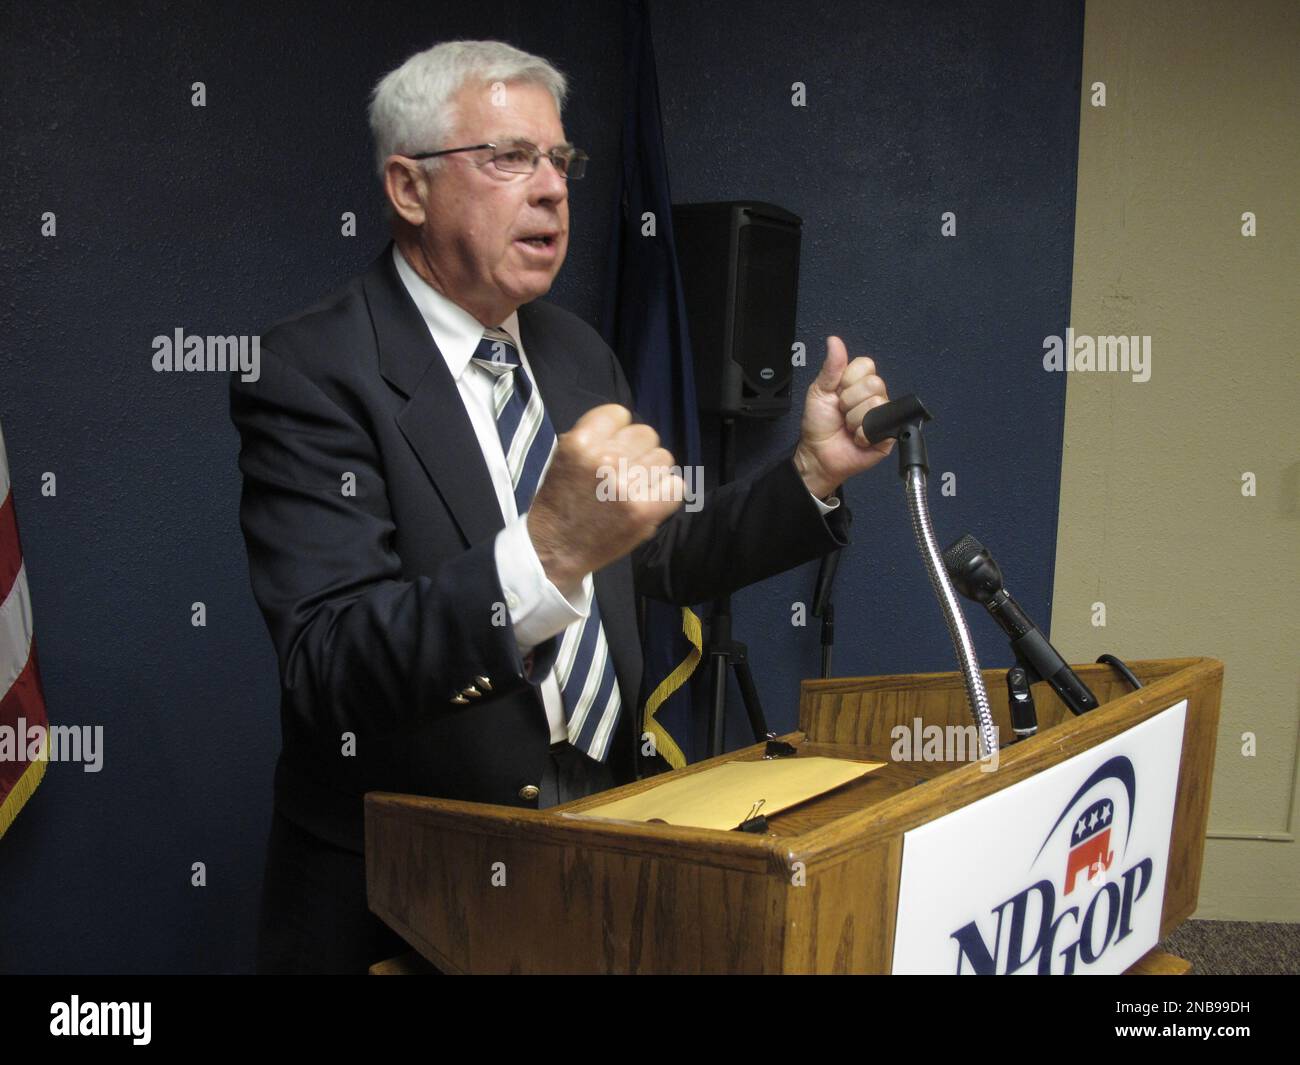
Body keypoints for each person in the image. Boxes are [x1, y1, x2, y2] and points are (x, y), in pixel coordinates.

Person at [229, 39, 895, 974]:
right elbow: (329, 662)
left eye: (559, 160)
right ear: (408, 188)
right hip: (410, 898)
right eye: (508, 157)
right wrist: (542, 555)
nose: (551, 189)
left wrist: (811, 474)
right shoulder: (310, 369)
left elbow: (653, 557)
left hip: (599, 845)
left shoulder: (577, 353)